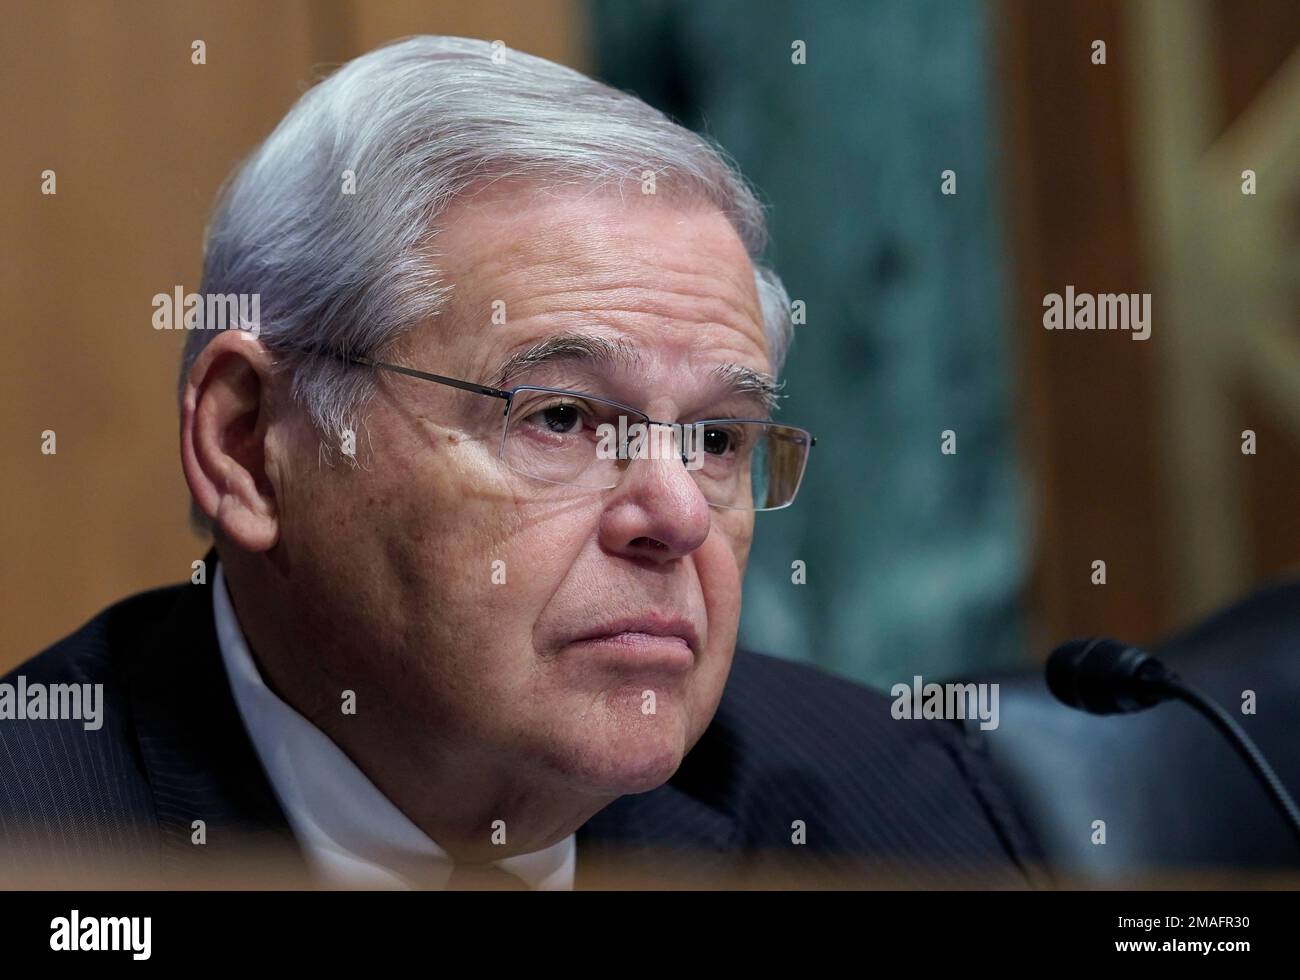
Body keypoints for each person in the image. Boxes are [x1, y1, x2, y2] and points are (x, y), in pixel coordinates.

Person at [0, 36, 1035, 889]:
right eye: (562, 416)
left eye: (719, 437)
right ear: (248, 445)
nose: (674, 512)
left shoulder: (892, 808)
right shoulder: (43, 838)